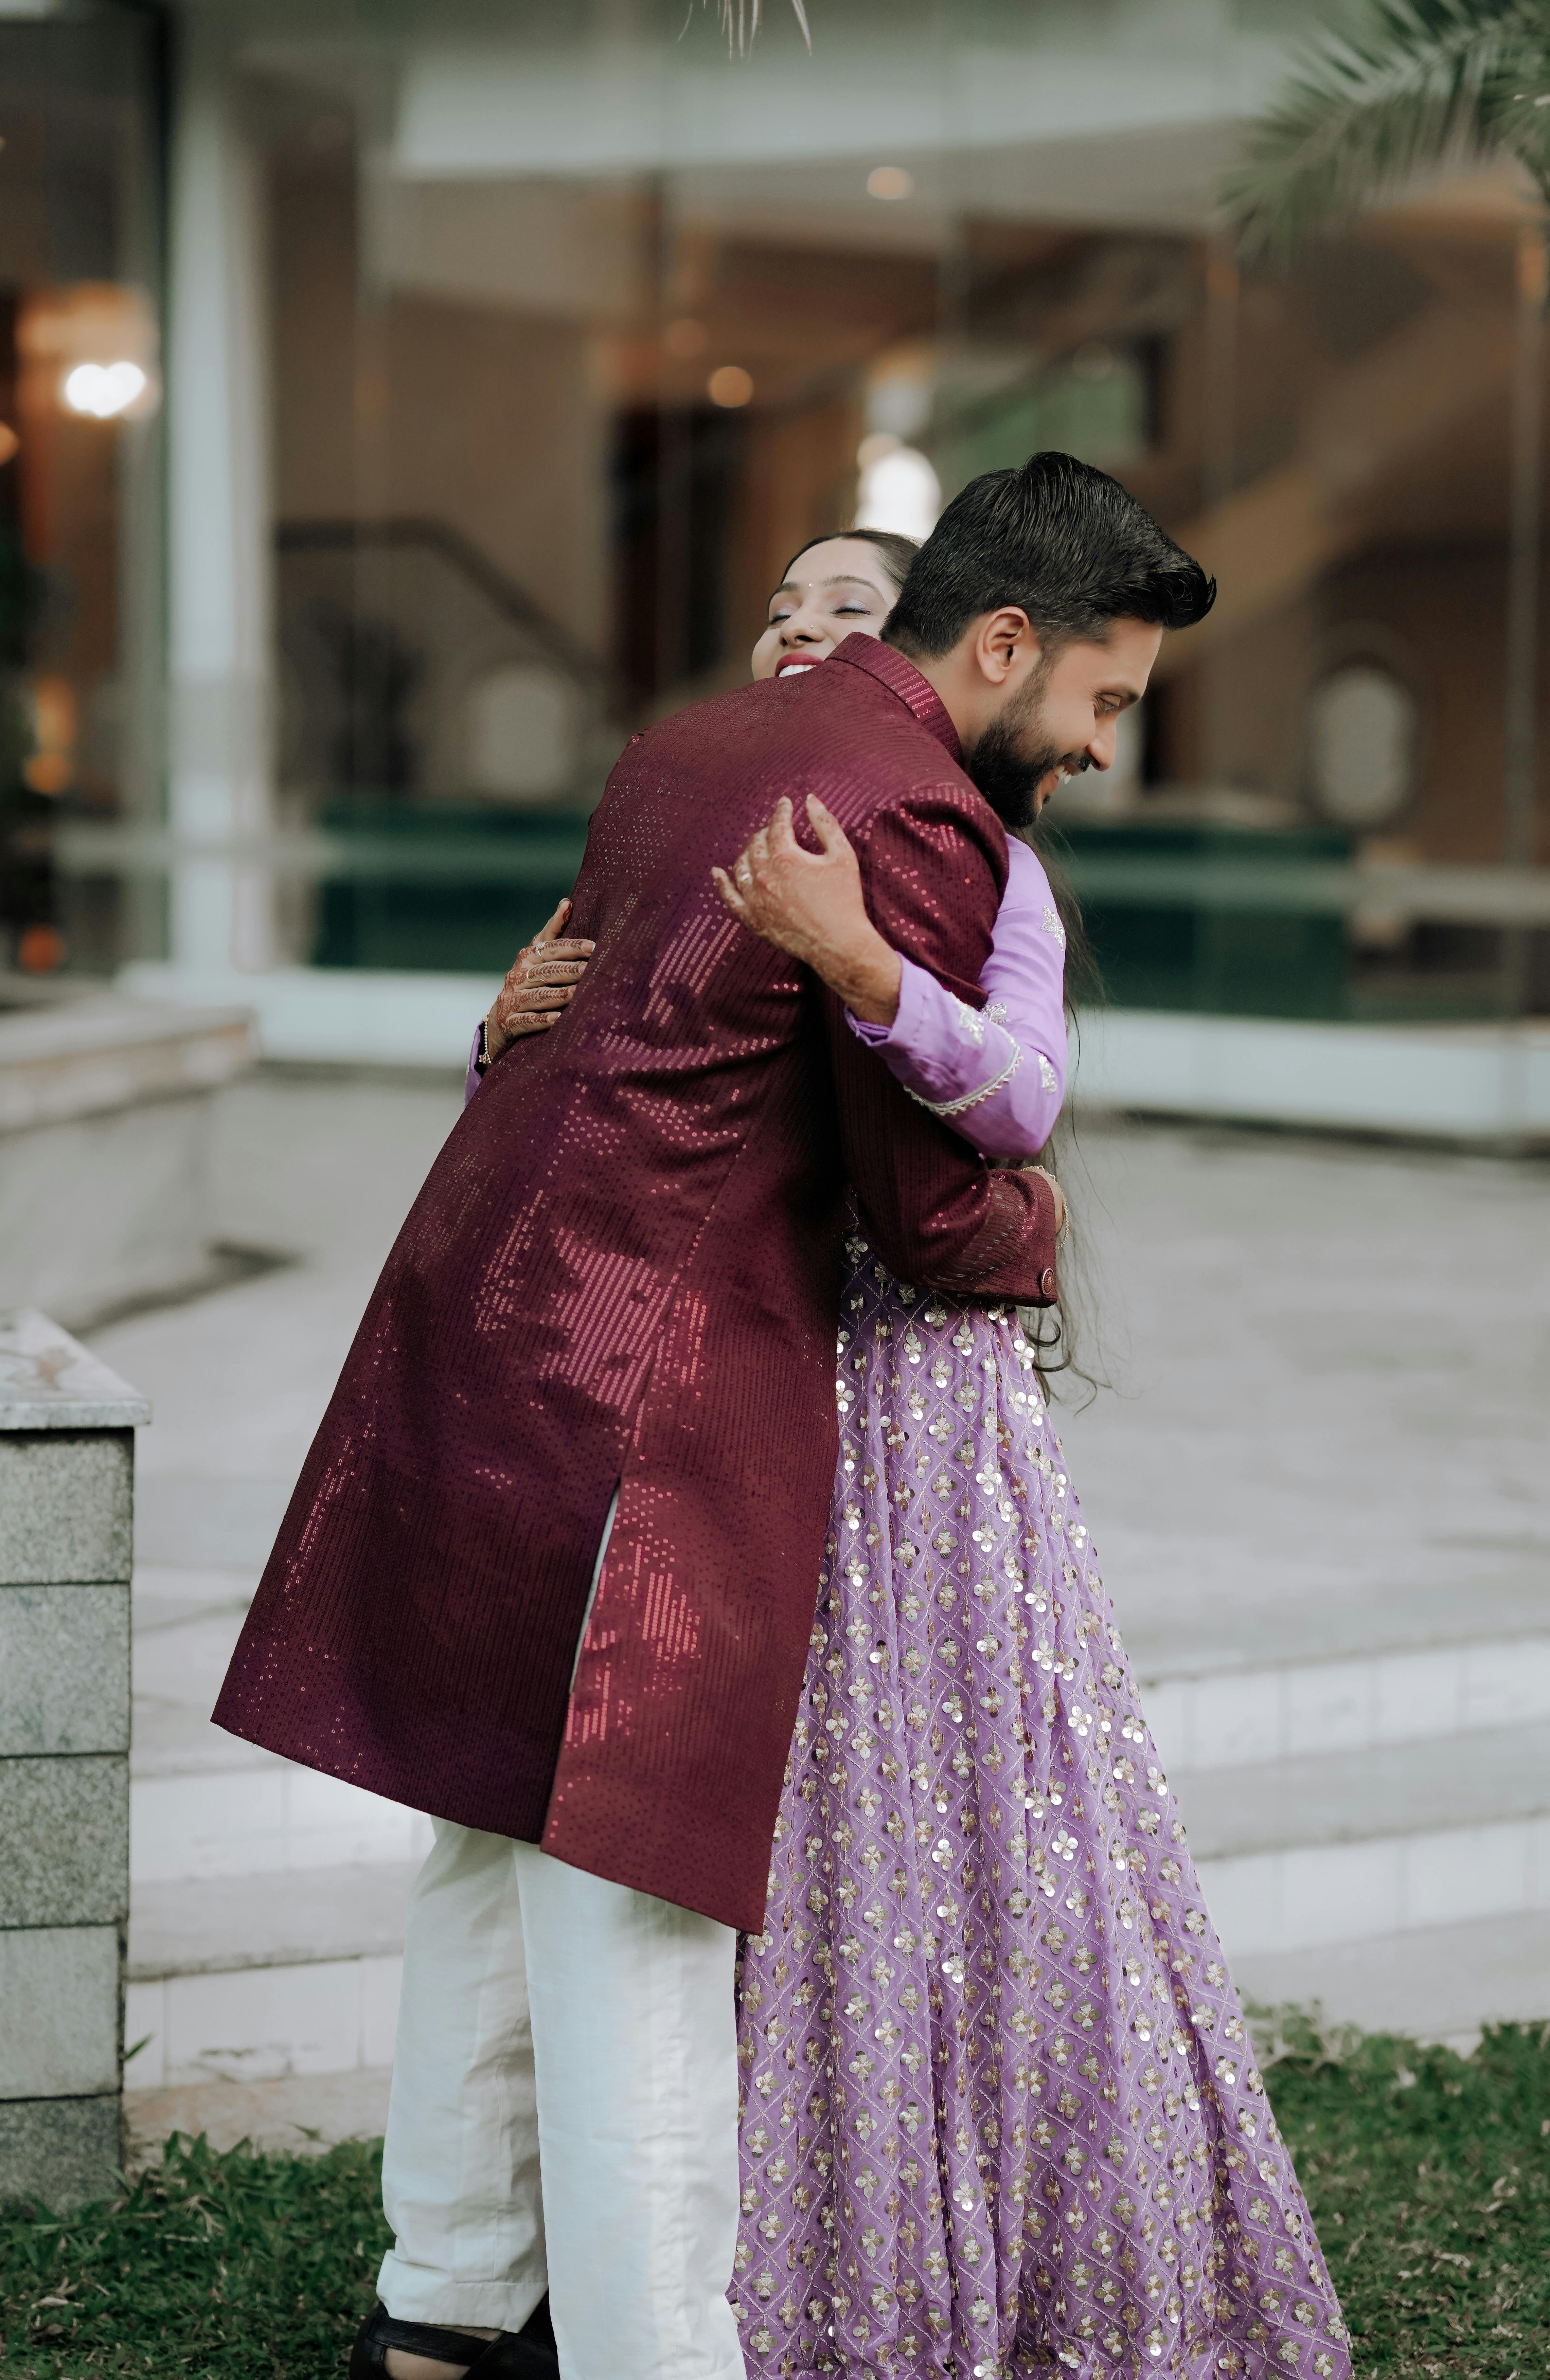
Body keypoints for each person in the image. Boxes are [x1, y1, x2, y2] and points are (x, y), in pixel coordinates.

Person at [213, 472, 1089, 2380]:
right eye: (787, 605)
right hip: (654, 1387)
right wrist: (1021, 1225)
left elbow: (970, 1085)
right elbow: (912, 1185)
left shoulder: (758, 783)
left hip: (572, 1354)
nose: (808, 637)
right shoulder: (820, 799)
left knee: (521, 1853)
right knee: (625, 1906)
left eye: (844, 609)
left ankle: (442, 2310)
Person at [502, 480, 1350, 2380]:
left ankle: (967, 2222)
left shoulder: (980, 856)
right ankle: (754, 2250)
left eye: (848, 612)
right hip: (768, 1385)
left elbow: (1023, 1100)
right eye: (1115, 699)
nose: (1110, 740)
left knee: (970, 1813)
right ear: (1000, 651)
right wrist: (510, 1027)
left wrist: (862, 964)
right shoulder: (755, 804)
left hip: (926, 1410)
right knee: (799, 1825)